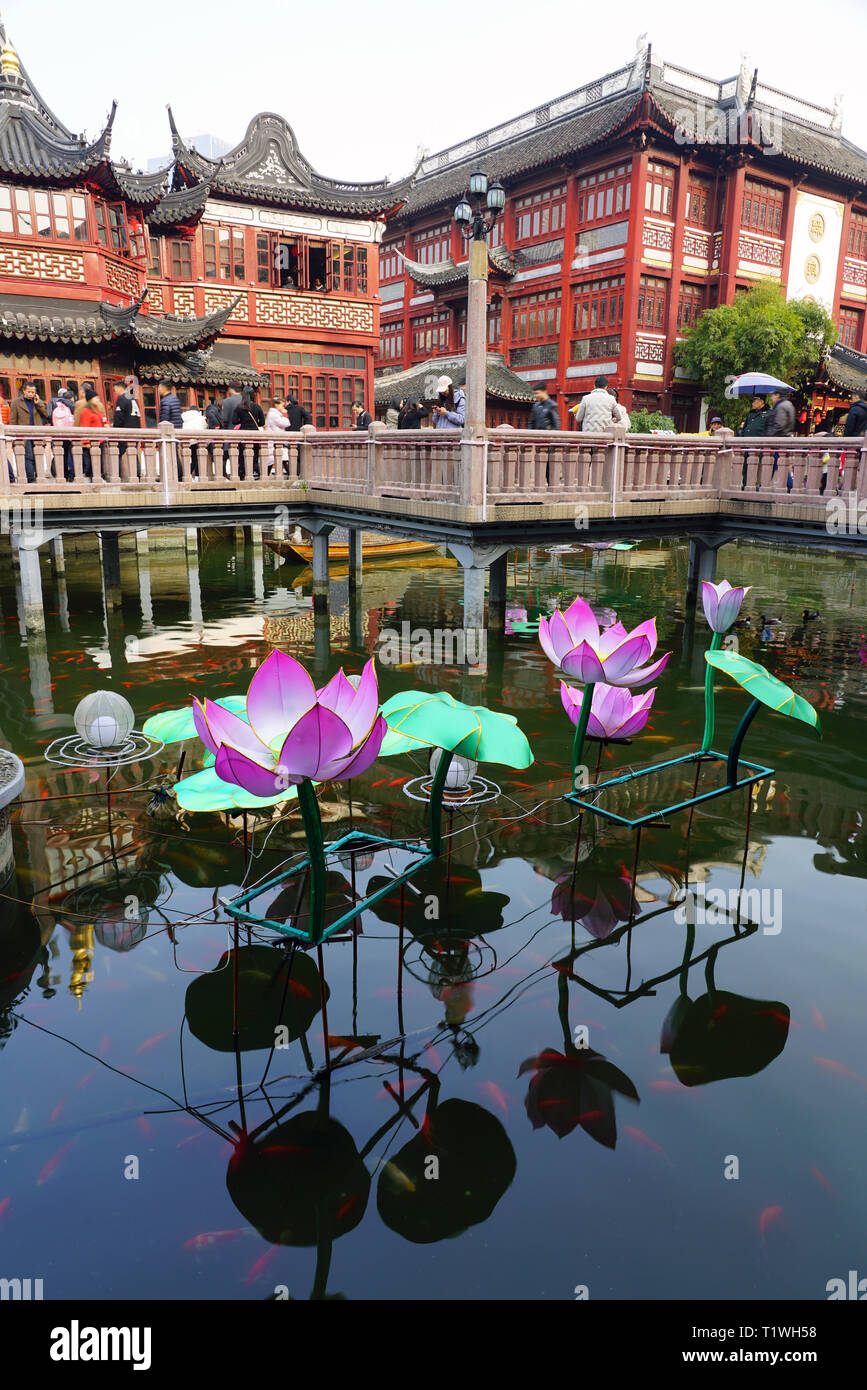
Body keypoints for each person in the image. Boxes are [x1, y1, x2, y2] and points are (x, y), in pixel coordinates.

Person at [10, 382, 51, 482]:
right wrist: (13, 436)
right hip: (24, 434)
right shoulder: (16, 402)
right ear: (23, 391)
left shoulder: (36, 402)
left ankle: (39, 477)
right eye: (28, 392)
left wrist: (39, 403)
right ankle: (31, 479)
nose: (31, 394)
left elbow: (46, 415)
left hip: (37, 433)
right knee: (28, 456)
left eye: (33, 392)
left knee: (39, 455)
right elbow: (13, 420)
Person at [232, 386, 265, 479]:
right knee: (254, 455)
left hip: (243, 433)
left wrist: (242, 420)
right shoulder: (257, 407)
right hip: (255, 434)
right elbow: (262, 423)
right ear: (252, 395)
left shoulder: (239, 407)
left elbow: (234, 421)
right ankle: (257, 472)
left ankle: (242, 474)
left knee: (242, 455)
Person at [736, 396, 768, 490]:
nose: (752, 403)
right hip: (747, 445)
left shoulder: (769, 413)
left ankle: (757, 486)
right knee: (746, 466)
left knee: (758, 467)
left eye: (754, 401)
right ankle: (746, 485)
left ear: (761, 401)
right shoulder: (751, 413)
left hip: (760, 445)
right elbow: (746, 427)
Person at [112, 380, 140, 481]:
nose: (115, 391)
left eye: (115, 389)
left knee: (118, 452)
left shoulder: (122, 398)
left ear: (119, 387)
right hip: (136, 429)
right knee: (134, 453)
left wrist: (114, 429)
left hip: (126, 430)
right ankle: (137, 475)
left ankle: (117, 476)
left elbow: (119, 417)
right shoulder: (132, 398)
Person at [78, 386, 107, 481]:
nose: (98, 400)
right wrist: (85, 442)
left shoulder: (97, 410)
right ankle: (89, 478)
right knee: (90, 463)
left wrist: (107, 425)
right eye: (96, 398)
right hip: (90, 442)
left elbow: (104, 420)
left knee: (99, 461)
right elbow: (84, 427)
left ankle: (98, 477)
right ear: (90, 399)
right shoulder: (86, 411)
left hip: (100, 441)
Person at [265, 397, 290, 474]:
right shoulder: (274, 414)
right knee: (282, 458)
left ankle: (265, 475)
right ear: (276, 405)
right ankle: (290, 474)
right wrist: (285, 414)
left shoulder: (273, 413)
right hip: (275, 440)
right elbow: (286, 423)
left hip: (275, 439)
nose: (283, 407)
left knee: (274, 459)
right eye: (282, 405)